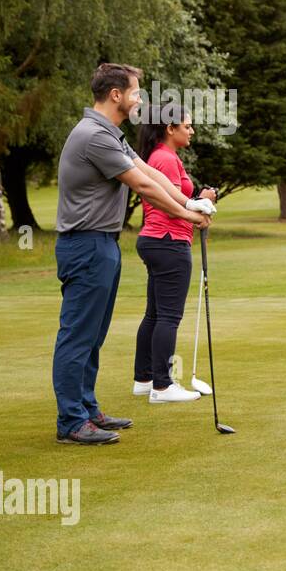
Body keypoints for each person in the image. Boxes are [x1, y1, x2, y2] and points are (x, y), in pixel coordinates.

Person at [52, 64, 214, 445]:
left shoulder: (111, 134)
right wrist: (190, 215)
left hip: (102, 244)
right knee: (78, 336)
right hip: (85, 245)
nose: (140, 99)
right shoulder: (94, 136)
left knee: (93, 336)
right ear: (115, 95)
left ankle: (88, 410)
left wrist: (191, 201)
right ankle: (71, 421)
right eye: (136, 93)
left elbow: (150, 173)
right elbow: (143, 185)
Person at [132, 103, 218, 403]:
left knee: (155, 314)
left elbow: (174, 199)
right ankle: (162, 386)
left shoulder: (160, 157)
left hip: (156, 240)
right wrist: (202, 200)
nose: (191, 130)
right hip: (169, 241)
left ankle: (144, 380)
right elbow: (168, 203)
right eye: (187, 125)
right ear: (170, 129)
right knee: (168, 316)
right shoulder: (165, 159)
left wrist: (198, 200)